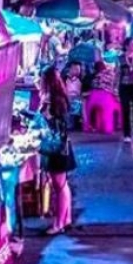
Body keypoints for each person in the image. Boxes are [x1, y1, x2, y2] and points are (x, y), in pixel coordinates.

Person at [39, 66, 77, 235]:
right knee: (63, 184)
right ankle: (66, 218)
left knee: (59, 186)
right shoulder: (60, 97)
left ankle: (58, 223)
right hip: (62, 148)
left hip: (57, 150)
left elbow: (51, 124)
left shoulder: (53, 100)